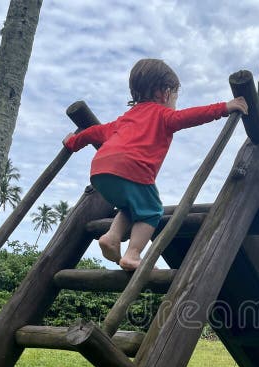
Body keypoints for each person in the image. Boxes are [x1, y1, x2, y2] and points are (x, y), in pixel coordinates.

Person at [63, 58, 248, 271]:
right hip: (132, 169)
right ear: (165, 93)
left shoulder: (124, 120)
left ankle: (111, 237)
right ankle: (133, 255)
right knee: (151, 210)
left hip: (100, 172)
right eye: (176, 96)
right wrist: (225, 107)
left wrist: (72, 143)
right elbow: (191, 116)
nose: (175, 102)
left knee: (131, 207)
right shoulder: (163, 115)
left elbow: (94, 132)